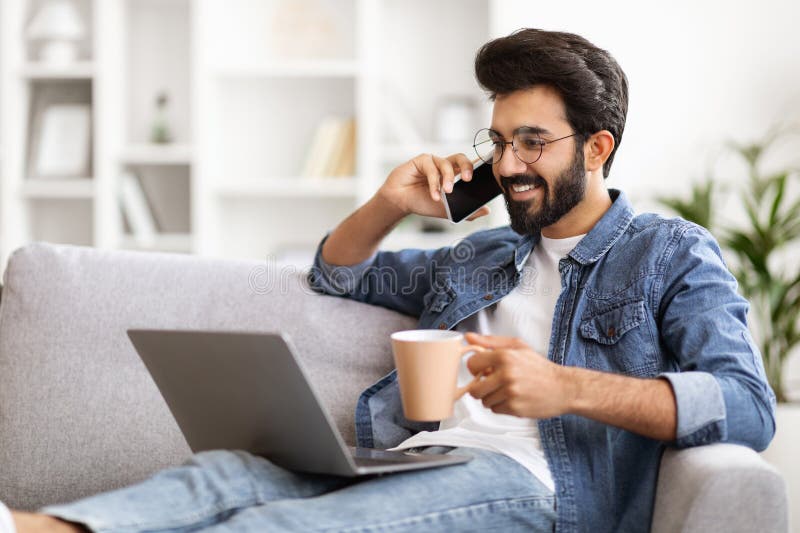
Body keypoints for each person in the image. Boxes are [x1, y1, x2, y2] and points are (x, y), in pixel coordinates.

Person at [1, 28, 775, 533]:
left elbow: (747, 404)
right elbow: (336, 273)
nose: (507, 164)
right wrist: (390, 202)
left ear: (597, 147)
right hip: (427, 457)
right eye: (499, 140)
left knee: (281, 528)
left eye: (533, 142)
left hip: (545, 483)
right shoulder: (482, 255)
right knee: (225, 473)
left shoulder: (671, 253)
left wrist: (566, 387)